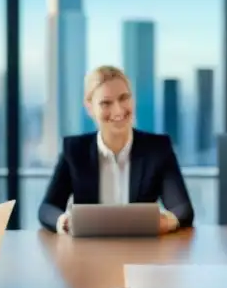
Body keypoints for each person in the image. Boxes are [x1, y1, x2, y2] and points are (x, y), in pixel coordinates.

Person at [38, 65, 194, 234]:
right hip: (89, 253)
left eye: (124, 98)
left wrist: (166, 222)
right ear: (90, 107)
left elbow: (182, 208)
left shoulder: (157, 148)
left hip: (142, 251)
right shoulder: (75, 150)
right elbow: (47, 208)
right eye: (106, 103)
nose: (118, 110)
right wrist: (64, 221)